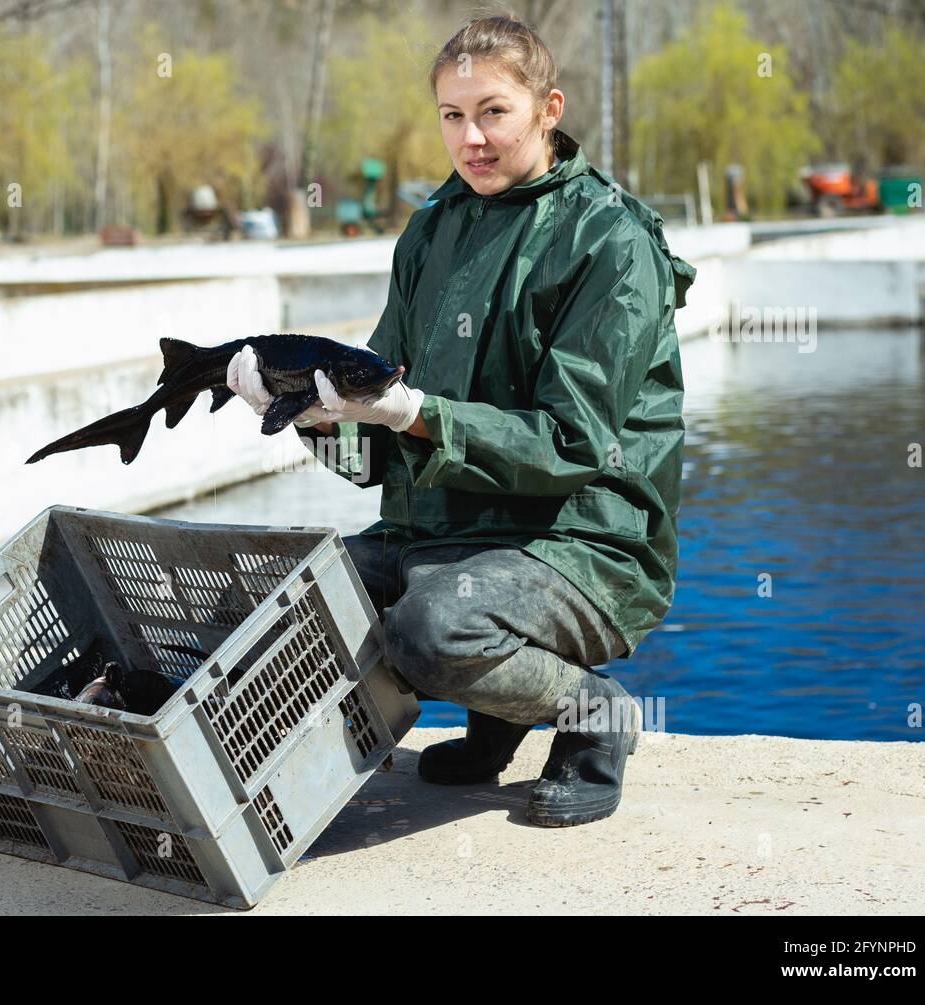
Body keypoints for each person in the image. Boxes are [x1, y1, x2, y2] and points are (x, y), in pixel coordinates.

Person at [226, 12, 694, 827]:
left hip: (583, 542)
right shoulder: (432, 230)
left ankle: (593, 715)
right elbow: (375, 453)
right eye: (452, 116)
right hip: (442, 532)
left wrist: (422, 415)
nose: (471, 138)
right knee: (290, 599)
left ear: (549, 109)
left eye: (494, 113)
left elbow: (571, 445)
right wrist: (303, 414)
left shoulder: (612, 243)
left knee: (431, 627)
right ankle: (498, 715)